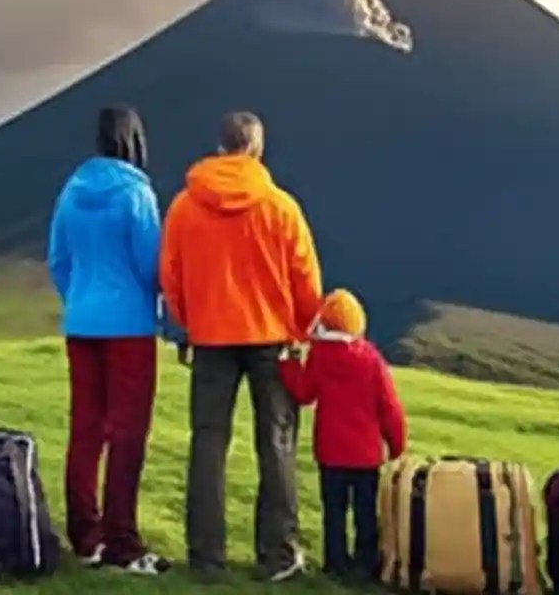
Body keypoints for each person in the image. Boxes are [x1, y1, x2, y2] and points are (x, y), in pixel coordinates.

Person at [159, 110, 323, 582]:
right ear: (257, 149)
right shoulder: (280, 207)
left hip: (210, 337)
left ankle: (206, 558)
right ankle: (278, 555)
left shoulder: (185, 206)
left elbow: (170, 274)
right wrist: (300, 332)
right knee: (275, 443)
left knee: (208, 442)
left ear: (220, 147)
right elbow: (306, 280)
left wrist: (189, 324)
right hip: (271, 338)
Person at [47, 105, 170, 575]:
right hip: (128, 328)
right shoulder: (136, 194)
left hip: (82, 324)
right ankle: (124, 543)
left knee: (86, 429)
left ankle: (85, 536)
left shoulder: (71, 191)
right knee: (128, 434)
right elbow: (149, 265)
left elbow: (58, 259)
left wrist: (77, 298)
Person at [278, 288, 406, 582]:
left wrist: (288, 364)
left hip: (331, 453)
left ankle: (335, 562)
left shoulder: (320, 356)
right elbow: (389, 407)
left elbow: (304, 392)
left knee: (334, 512)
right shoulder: (370, 358)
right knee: (365, 513)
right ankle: (365, 564)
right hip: (366, 456)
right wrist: (396, 444)